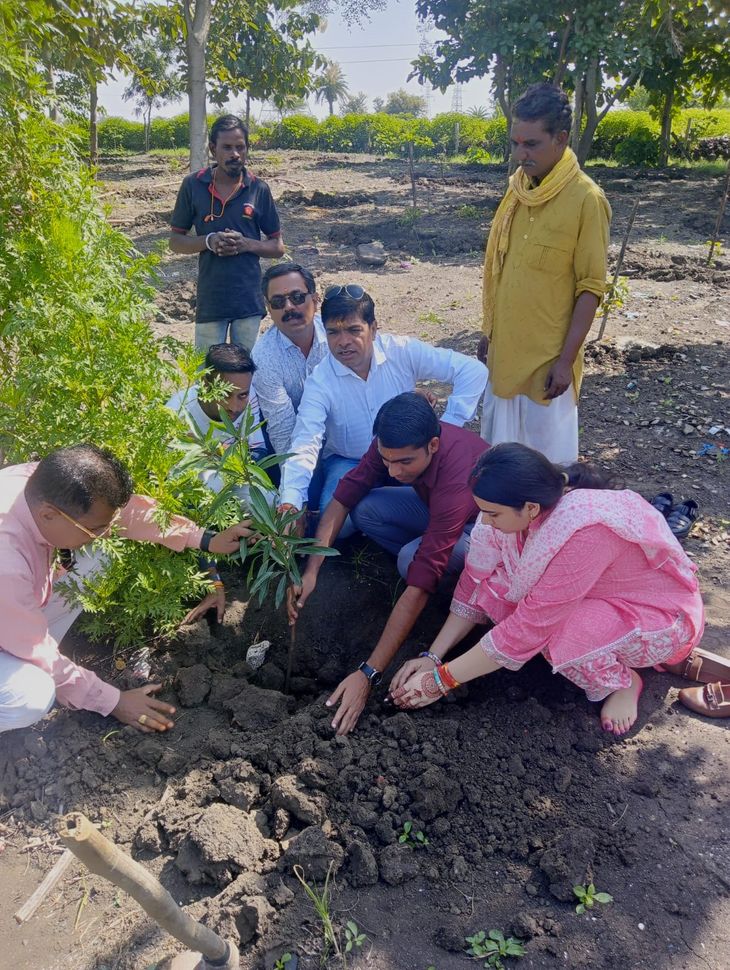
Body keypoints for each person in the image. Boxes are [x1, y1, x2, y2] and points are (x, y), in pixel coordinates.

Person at [390, 443, 706, 737]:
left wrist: (440, 682)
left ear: (529, 508)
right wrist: (433, 656)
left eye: (493, 513)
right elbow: (477, 581)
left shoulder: (585, 532)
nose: (484, 522)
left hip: (660, 618)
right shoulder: (525, 513)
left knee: (555, 630)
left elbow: (531, 627)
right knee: (499, 582)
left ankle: (621, 682)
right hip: (600, 596)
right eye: (482, 511)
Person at [0, 444, 252, 734]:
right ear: (48, 515)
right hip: (10, 623)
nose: (101, 534)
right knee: (31, 695)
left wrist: (205, 539)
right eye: (93, 530)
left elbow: (123, 514)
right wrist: (113, 701)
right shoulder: (6, 559)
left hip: (13, 616)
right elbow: (35, 650)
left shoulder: (39, 483)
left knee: (98, 555)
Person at [287, 392, 488, 736]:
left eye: (405, 463)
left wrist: (368, 674)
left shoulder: (457, 478)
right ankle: (431, 555)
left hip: (481, 528)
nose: (393, 471)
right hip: (434, 509)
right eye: (387, 460)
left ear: (433, 445)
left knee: (414, 562)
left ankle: (451, 583)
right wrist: (312, 570)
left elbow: (419, 585)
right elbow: (344, 497)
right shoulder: (392, 444)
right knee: (367, 508)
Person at [279, 284, 487, 533]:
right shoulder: (320, 381)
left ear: (374, 328)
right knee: (341, 526)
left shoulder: (401, 351)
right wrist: (290, 501)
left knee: (439, 503)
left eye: (354, 330)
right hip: (350, 461)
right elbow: (305, 441)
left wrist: (446, 427)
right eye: (333, 332)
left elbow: (472, 370)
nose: (343, 342)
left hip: (406, 456)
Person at [478, 84, 611, 464]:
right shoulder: (518, 191)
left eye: (532, 144)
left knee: (546, 471)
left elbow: (590, 288)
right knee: (501, 467)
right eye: (516, 143)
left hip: (547, 365)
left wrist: (565, 360)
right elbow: (502, 270)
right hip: (505, 356)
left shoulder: (587, 200)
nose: (521, 154)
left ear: (561, 139)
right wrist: (489, 332)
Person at [166, 342, 269, 623]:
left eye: (243, 395)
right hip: (193, 500)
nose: (237, 406)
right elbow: (184, 504)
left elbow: (256, 454)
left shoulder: (247, 401)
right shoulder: (177, 415)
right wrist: (213, 581)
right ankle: (213, 574)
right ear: (206, 385)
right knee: (209, 488)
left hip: (233, 475)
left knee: (270, 505)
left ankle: (259, 551)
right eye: (228, 395)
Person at [169, 115, 285, 351]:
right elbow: (175, 241)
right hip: (211, 299)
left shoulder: (258, 189)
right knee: (207, 373)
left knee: (245, 370)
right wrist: (209, 241)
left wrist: (246, 244)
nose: (235, 154)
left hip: (247, 299)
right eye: (227, 147)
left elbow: (277, 247)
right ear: (213, 149)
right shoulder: (193, 185)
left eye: (240, 147)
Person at [252, 263, 327, 456]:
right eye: (278, 302)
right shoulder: (264, 357)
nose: (288, 307)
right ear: (268, 308)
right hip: (298, 443)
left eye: (297, 297)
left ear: (316, 299)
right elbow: (283, 430)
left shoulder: (336, 338)